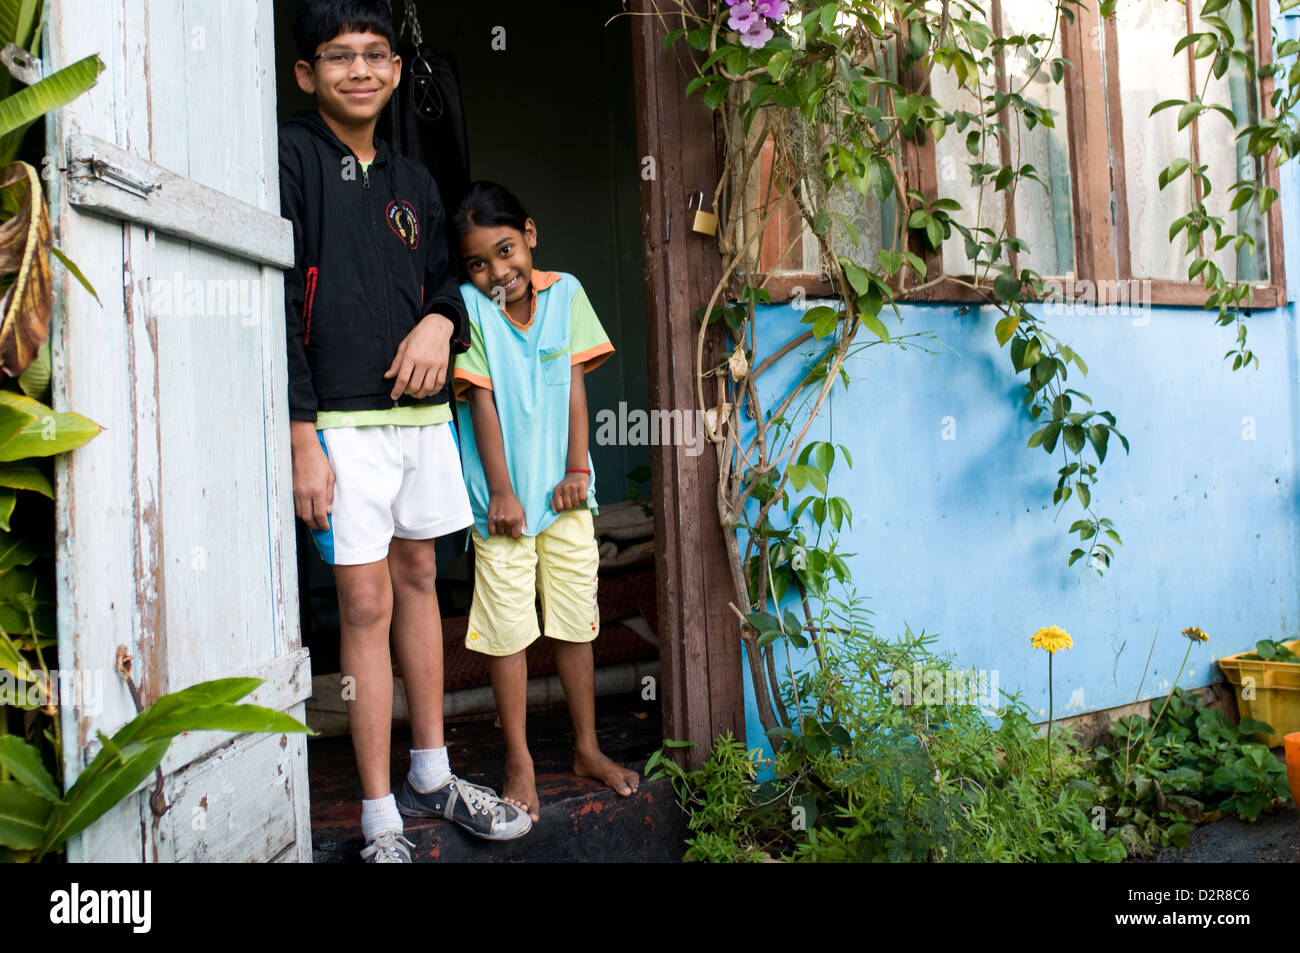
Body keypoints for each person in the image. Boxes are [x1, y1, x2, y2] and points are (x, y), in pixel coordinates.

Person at [280, 0, 530, 863]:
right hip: (341, 424)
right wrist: (300, 434)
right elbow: (275, 303)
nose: (360, 69)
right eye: (339, 56)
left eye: (376, 55)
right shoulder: (290, 159)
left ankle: (433, 772)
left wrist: (438, 324)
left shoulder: (416, 183)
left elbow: (448, 287)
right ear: (308, 73)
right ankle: (380, 815)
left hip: (421, 420)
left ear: (396, 69)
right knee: (364, 599)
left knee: (421, 572)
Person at [450, 181, 642, 822]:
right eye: (479, 262)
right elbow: (481, 402)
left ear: (529, 236)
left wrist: (578, 469)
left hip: (565, 497)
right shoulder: (471, 312)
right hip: (502, 504)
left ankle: (587, 747)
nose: (497, 271)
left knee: (574, 619)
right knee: (508, 632)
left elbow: (572, 388)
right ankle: (519, 760)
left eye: (506, 251)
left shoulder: (568, 295)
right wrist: (501, 491)